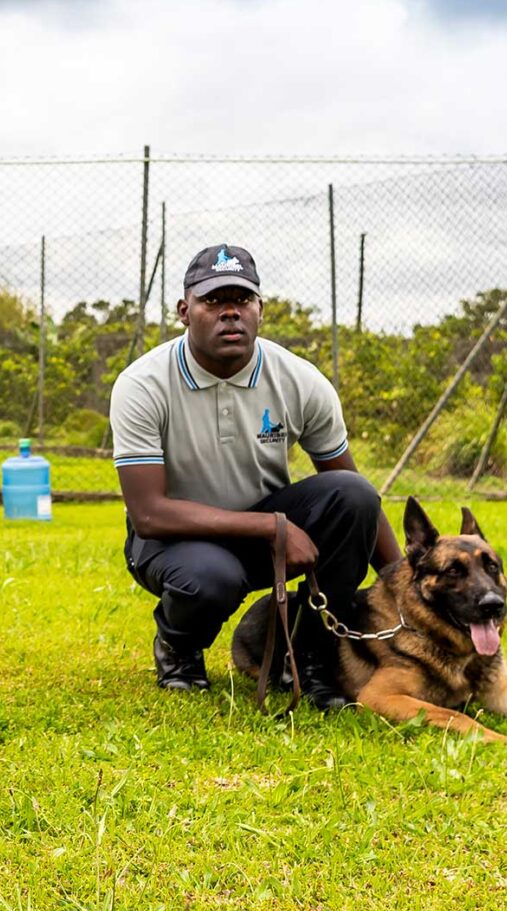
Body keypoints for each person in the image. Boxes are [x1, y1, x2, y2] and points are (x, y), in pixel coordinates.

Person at [110, 243, 399, 707]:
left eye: (242, 300)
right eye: (213, 301)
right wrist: (273, 527)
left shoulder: (300, 380)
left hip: (262, 529)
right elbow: (149, 514)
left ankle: (312, 657)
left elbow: (358, 499)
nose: (230, 313)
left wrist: (400, 582)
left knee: (353, 494)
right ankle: (178, 648)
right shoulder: (143, 384)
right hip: (173, 539)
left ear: (260, 310)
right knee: (210, 577)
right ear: (185, 311)